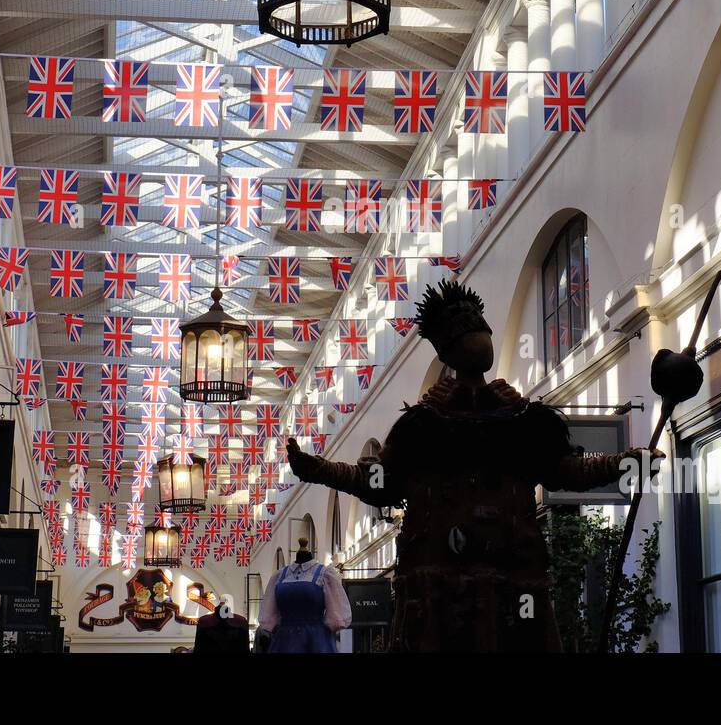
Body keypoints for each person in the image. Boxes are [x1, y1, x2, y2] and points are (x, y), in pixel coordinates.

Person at [286, 279, 660, 652]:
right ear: (448, 348)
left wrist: (625, 464)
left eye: (479, 326)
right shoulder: (424, 426)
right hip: (440, 596)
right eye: (467, 330)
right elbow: (376, 481)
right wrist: (318, 470)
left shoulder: (518, 419)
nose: (479, 338)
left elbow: (566, 471)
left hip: (512, 588)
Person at [258, 537, 352, 652]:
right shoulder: (279, 576)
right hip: (285, 640)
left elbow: (337, 614)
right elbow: (268, 614)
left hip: (316, 641)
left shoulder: (324, 574)